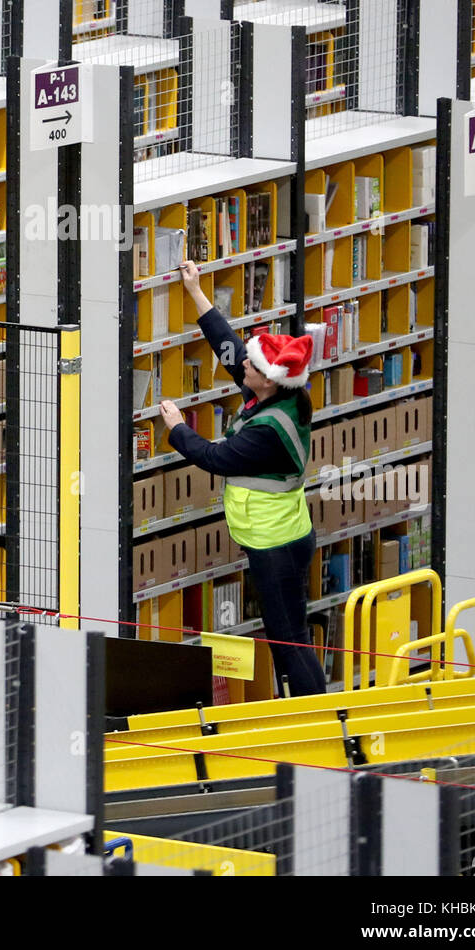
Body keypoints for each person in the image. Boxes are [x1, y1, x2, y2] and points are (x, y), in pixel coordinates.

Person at [158, 260, 326, 698]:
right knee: (290, 633)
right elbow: (230, 349)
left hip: (278, 546)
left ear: (266, 381)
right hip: (278, 538)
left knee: (289, 640)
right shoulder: (278, 394)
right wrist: (195, 292)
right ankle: (315, 713)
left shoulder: (269, 430)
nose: (242, 371)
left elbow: (215, 457)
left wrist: (177, 427)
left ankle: (320, 720)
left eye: (251, 369)